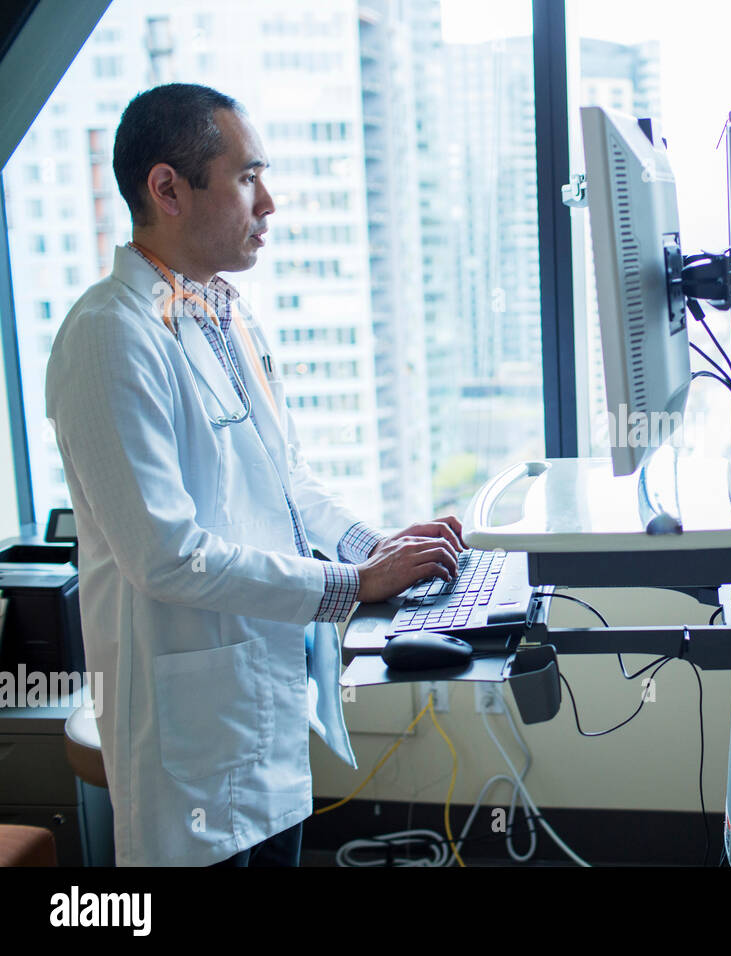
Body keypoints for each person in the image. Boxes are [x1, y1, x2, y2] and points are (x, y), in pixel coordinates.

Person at [44, 83, 463, 866]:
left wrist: (377, 552)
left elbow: (287, 482)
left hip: (264, 705)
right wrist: (351, 586)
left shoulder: (224, 315)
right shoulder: (110, 336)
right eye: (247, 177)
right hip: (189, 738)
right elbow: (164, 554)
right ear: (167, 189)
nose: (268, 202)